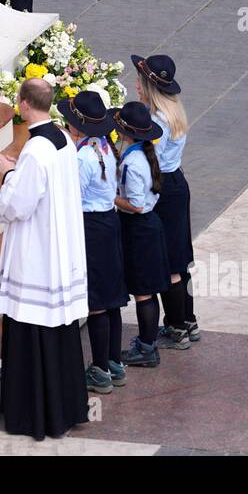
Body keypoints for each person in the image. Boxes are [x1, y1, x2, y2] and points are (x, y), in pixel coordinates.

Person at [0, 77, 89, 440]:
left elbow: (19, 204)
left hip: (37, 256)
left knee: (31, 327)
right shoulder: (62, 139)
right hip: (58, 250)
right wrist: (19, 172)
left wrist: (6, 174)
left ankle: (33, 416)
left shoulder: (35, 150)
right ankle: (65, 409)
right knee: (56, 331)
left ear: (24, 104)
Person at [58, 90, 128, 394]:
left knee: (97, 301)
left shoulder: (83, 157)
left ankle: (100, 370)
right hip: (109, 222)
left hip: (92, 226)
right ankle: (113, 362)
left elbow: (71, 196)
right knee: (111, 298)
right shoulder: (104, 147)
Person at [132, 54, 198, 348]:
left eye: (139, 81)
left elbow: (152, 163)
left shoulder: (157, 119)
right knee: (181, 259)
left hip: (163, 188)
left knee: (170, 262)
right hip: (177, 184)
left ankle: (176, 326)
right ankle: (188, 320)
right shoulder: (173, 109)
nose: (135, 85)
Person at [113, 101, 170, 368]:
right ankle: (148, 342)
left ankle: (147, 348)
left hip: (139, 229)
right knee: (148, 290)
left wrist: (111, 198)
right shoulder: (143, 154)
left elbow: (134, 204)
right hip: (149, 226)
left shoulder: (133, 163)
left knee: (143, 292)